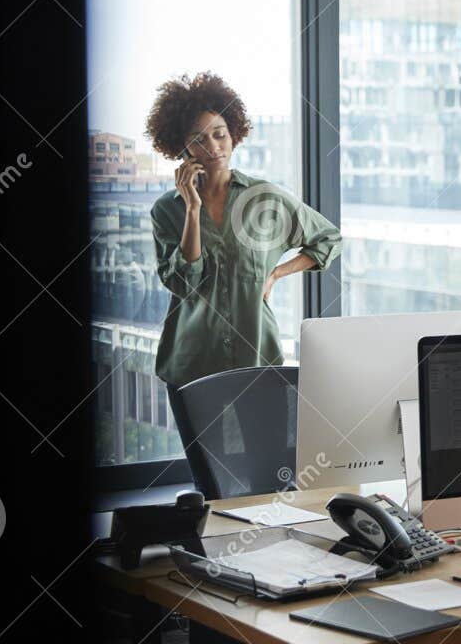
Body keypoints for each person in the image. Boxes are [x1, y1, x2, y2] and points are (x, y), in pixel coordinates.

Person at [146, 71, 340, 423]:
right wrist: (192, 208)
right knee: (208, 475)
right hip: (191, 366)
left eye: (220, 135)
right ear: (183, 148)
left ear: (234, 135)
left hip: (257, 363)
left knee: (266, 471)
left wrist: (276, 273)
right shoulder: (167, 210)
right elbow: (182, 284)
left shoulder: (265, 199)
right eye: (199, 140)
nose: (213, 147)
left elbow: (328, 240)